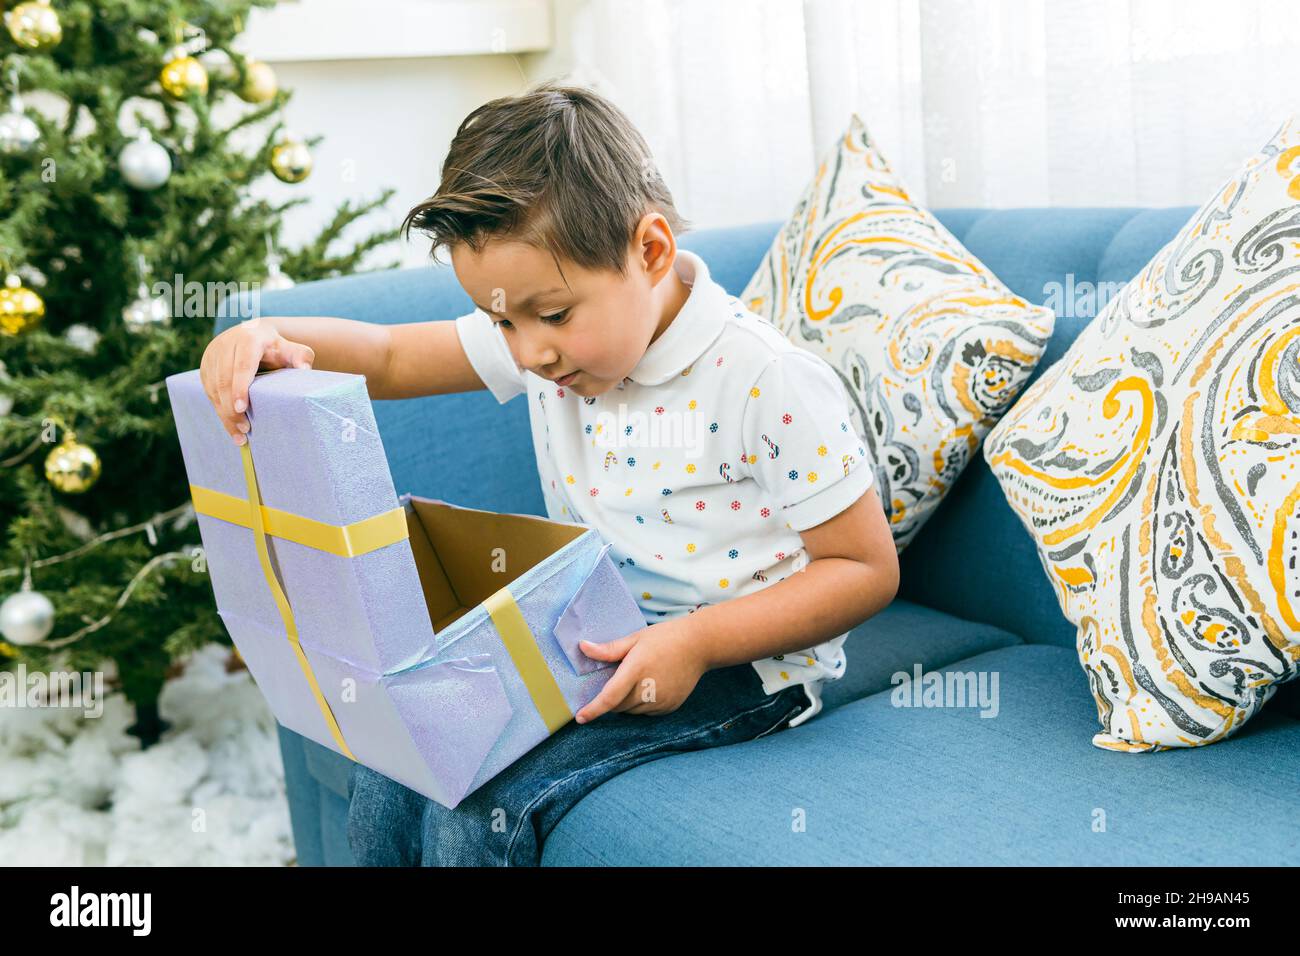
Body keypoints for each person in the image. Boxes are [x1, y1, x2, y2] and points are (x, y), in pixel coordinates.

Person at [198, 81, 899, 866]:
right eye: (504, 320)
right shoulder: (545, 341)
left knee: (485, 809)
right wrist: (268, 332)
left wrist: (696, 643)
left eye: (554, 316)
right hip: (578, 635)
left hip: (740, 668)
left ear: (652, 250)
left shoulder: (766, 382)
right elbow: (390, 358)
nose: (529, 351)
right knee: (399, 761)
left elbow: (863, 569)